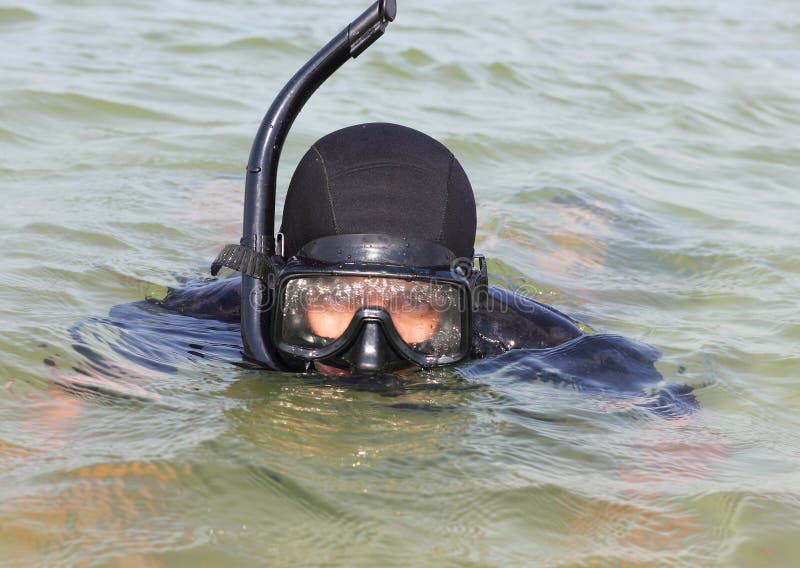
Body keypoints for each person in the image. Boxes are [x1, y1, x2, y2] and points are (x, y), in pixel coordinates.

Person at [164, 122, 585, 376]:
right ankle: (213, 193)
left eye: (414, 303)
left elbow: (641, 408)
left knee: (565, 275)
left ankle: (579, 219)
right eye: (334, 297)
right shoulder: (233, 312)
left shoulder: (519, 334)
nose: (368, 355)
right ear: (279, 287)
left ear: (466, 305)